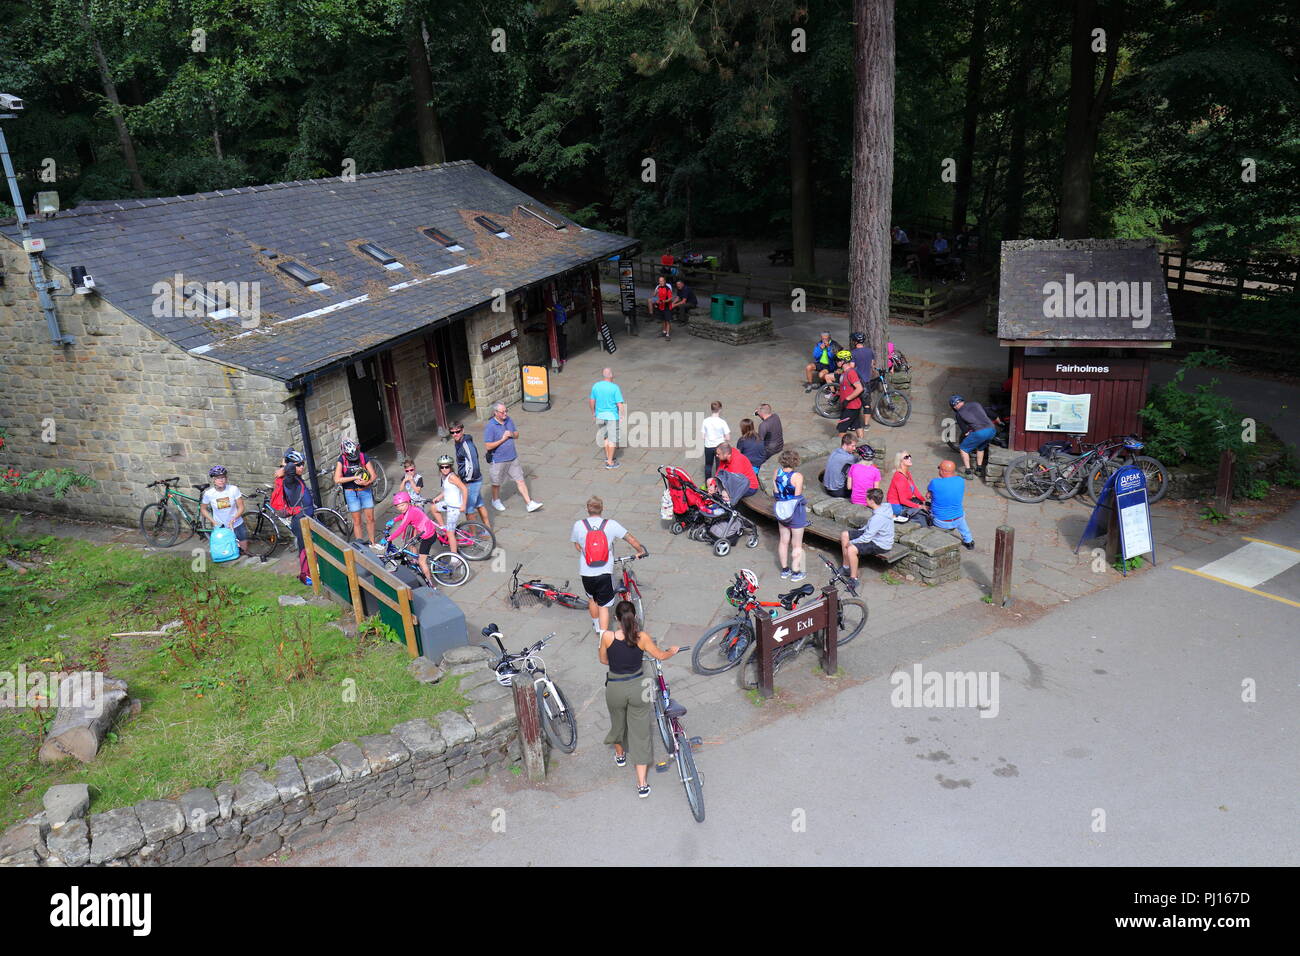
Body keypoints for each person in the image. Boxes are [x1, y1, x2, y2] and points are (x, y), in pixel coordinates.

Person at [599, 600, 680, 799]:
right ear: (634, 617)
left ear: (616, 619)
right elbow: (660, 655)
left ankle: (620, 755)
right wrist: (672, 651)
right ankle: (642, 784)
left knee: (618, 722)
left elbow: (603, 660)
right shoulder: (641, 637)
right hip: (640, 686)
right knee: (641, 732)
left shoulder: (607, 637)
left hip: (615, 686)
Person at [572, 496, 647, 634]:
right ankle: (603, 636)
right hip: (604, 571)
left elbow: (577, 546)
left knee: (592, 599)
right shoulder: (611, 524)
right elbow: (630, 538)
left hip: (586, 571)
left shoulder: (578, 525)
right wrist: (640, 551)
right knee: (604, 607)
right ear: (602, 509)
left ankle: (596, 625)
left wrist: (588, 552)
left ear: (587, 509)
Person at [484, 402, 543, 513]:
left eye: (506, 411)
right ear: (495, 413)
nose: (505, 414)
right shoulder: (491, 426)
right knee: (496, 482)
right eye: (502, 412)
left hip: (512, 457)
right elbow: (488, 446)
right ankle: (495, 500)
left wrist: (511, 434)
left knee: (520, 480)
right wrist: (503, 439)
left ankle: (529, 503)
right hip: (498, 460)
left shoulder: (508, 420)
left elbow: (517, 434)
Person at [274, 450, 316, 584]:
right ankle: (307, 576)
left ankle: (314, 571)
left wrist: (284, 464)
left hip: (307, 516)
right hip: (299, 519)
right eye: (298, 465)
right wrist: (285, 468)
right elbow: (291, 469)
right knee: (305, 548)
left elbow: (289, 451)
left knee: (312, 546)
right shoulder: (289, 480)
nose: (302, 467)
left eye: (303, 464)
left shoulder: (297, 477)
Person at [838, 488, 895, 587]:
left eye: (867, 498)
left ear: (872, 501)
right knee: (845, 535)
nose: (865, 500)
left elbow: (866, 538)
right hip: (873, 535)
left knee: (851, 549)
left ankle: (853, 578)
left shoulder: (878, 517)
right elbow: (869, 529)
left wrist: (852, 542)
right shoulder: (883, 507)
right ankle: (846, 567)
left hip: (880, 544)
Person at [387, 491, 443, 584]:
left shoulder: (410, 513)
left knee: (422, 562)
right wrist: (394, 519)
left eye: (402, 505)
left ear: (408, 502)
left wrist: (389, 538)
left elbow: (401, 528)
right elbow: (402, 516)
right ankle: (415, 560)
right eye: (398, 506)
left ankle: (430, 584)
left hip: (427, 536)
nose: (400, 508)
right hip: (426, 532)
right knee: (410, 543)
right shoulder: (411, 509)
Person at [334, 438, 379, 548]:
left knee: (370, 518)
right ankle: (361, 546)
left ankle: (373, 543)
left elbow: (373, 475)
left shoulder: (363, 456)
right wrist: (354, 477)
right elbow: (337, 479)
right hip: (351, 493)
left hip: (365, 491)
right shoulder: (341, 460)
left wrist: (367, 482)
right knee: (357, 521)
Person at [773, 450, 808, 582]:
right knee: (797, 544)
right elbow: (797, 496)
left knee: (783, 540)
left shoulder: (777, 472)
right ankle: (796, 572)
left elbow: (776, 492)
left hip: (781, 510)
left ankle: (784, 570)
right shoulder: (797, 476)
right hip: (796, 512)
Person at [451, 421, 492, 531]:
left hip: (472, 481)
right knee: (479, 504)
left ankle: (473, 536)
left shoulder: (466, 445)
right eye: (452, 432)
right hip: (473, 480)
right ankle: (488, 530)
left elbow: (474, 465)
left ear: (462, 431)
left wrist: (466, 481)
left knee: (469, 509)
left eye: (457, 432)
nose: (455, 434)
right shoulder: (458, 442)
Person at [928, 460, 975, 550]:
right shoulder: (960, 480)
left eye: (939, 468)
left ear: (942, 471)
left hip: (940, 521)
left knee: (928, 508)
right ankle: (969, 541)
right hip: (958, 518)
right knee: (961, 517)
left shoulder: (934, 482)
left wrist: (930, 494)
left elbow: (929, 494)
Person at [200, 466, 247, 555]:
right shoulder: (209, 494)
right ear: (213, 480)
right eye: (218, 478)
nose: (221, 480)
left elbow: (241, 507)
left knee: (243, 550)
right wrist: (213, 521)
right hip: (221, 527)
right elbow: (203, 509)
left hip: (237, 525)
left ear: (226, 478)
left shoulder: (233, 489)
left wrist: (234, 518)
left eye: (223, 477)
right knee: (226, 551)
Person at [949, 394, 997, 478]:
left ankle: (968, 472)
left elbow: (965, 431)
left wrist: (968, 432)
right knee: (980, 448)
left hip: (980, 432)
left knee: (963, 449)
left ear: (954, 407)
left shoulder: (959, 414)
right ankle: (979, 469)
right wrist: (999, 422)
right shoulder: (976, 404)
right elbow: (991, 414)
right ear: (962, 401)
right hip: (992, 430)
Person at [427, 454, 468, 554]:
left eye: (447, 467)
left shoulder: (452, 477)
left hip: (454, 507)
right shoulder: (444, 476)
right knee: (433, 508)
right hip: (447, 503)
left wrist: (463, 504)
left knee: (450, 534)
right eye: (442, 467)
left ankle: (455, 558)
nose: (444, 469)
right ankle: (443, 528)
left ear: (450, 466)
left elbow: (464, 489)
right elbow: (447, 490)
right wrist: (438, 497)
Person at [589, 367, 626, 470]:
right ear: (611, 375)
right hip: (612, 417)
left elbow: (592, 401)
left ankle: (608, 457)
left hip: (600, 416)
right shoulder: (615, 388)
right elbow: (620, 404)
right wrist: (622, 415)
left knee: (606, 437)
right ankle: (610, 462)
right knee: (612, 439)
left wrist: (593, 413)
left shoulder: (596, 386)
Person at [886, 450, 929, 524]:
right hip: (897, 506)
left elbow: (915, 489)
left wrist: (923, 500)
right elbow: (903, 500)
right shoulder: (899, 477)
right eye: (906, 457)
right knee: (920, 513)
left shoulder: (907, 473)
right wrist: (920, 506)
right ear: (900, 461)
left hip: (904, 502)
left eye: (909, 456)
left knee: (926, 506)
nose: (909, 458)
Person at [835, 351, 866, 440]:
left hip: (851, 406)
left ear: (843, 361)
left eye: (838, 360)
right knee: (857, 425)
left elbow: (859, 388)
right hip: (850, 406)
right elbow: (846, 387)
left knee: (842, 428)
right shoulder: (844, 372)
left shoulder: (851, 373)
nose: (836, 362)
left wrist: (847, 399)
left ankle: (840, 449)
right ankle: (862, 442)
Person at [700, 401, 730, 481]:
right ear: (720, 409)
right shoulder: (722, 422)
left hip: (708, 446)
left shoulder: (705, 421)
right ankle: (718, 482)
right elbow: (728, 437)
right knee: (719, 465)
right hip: (719, 447)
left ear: (711, 409)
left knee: (708, 465)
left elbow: (702, 436)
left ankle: (708, 483)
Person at [822, 434, 857, 499]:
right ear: (845, 444)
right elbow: (860, 462)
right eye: (853, 446)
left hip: (827, 487)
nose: (854, 448)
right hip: (836, 491)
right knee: (860, 487)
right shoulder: (848, 457)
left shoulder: (836, 451)